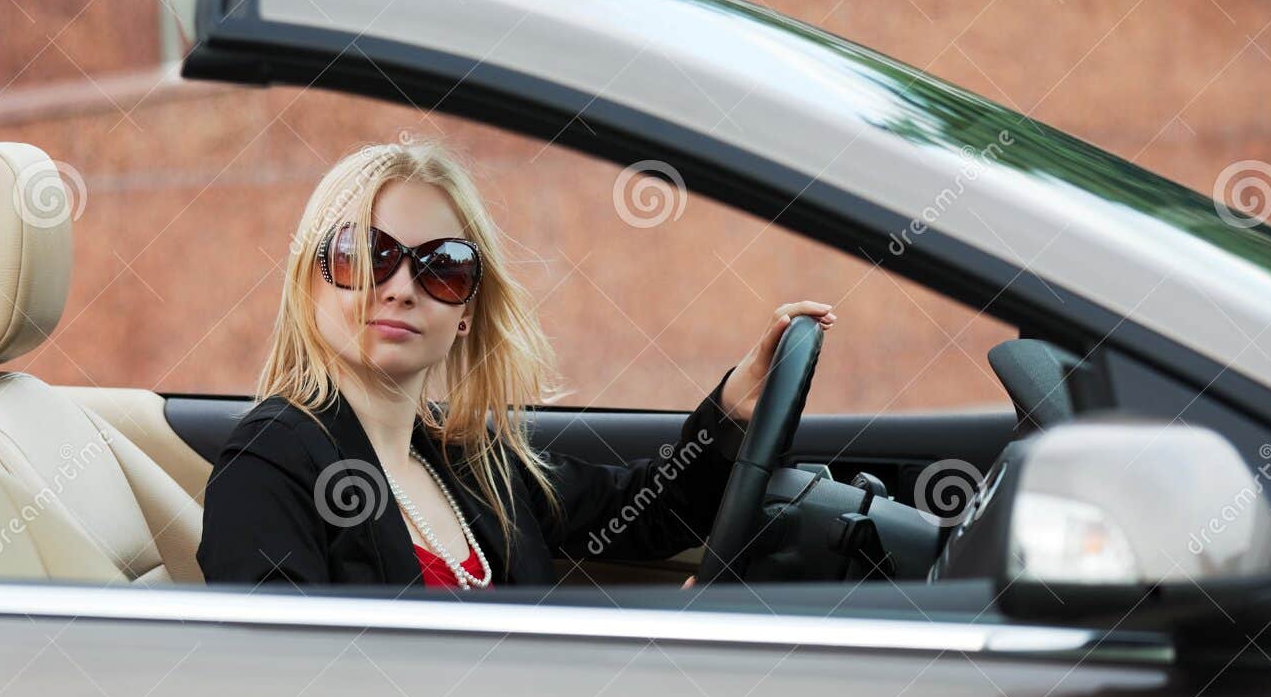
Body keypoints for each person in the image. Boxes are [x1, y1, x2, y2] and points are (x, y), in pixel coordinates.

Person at [196, 140, 835, 589]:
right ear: (309, 283)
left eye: (442, 266)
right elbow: (283, 693)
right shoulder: (269, 465)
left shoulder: (469, 462)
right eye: (365, 254)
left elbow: (647, 511)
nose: (399, 287)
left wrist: (733, 410)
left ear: (468, 309)